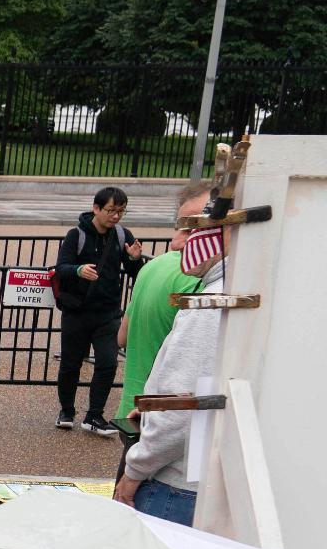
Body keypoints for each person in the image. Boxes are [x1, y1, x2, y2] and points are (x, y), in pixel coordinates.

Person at [114, 211, 227, 526]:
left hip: (174, 479)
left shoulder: (208, 303)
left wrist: (135, 470)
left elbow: (181, 407)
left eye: (189, 230)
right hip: (181, 458)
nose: (177, 243)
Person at [114, 183, 209, 456]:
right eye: (183, 227)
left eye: (190, 228)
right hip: (165, 423)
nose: (177, 242)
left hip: (133, 407)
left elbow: (122, 337)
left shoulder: (153, 266)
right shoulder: (196, 280)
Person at [53, 187, 143, 436]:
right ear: (96, 208)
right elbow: (61, 268)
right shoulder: (76, 235)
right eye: (111, 210)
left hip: (108, 313)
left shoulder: (123, 235)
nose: (115, 216)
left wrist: (135, 259)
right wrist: (79, 270)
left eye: (121, 212)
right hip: (77, 311)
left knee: (107, 362)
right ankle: (67, 411)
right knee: (71, 364)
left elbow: (137, 275)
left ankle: (94, 416)